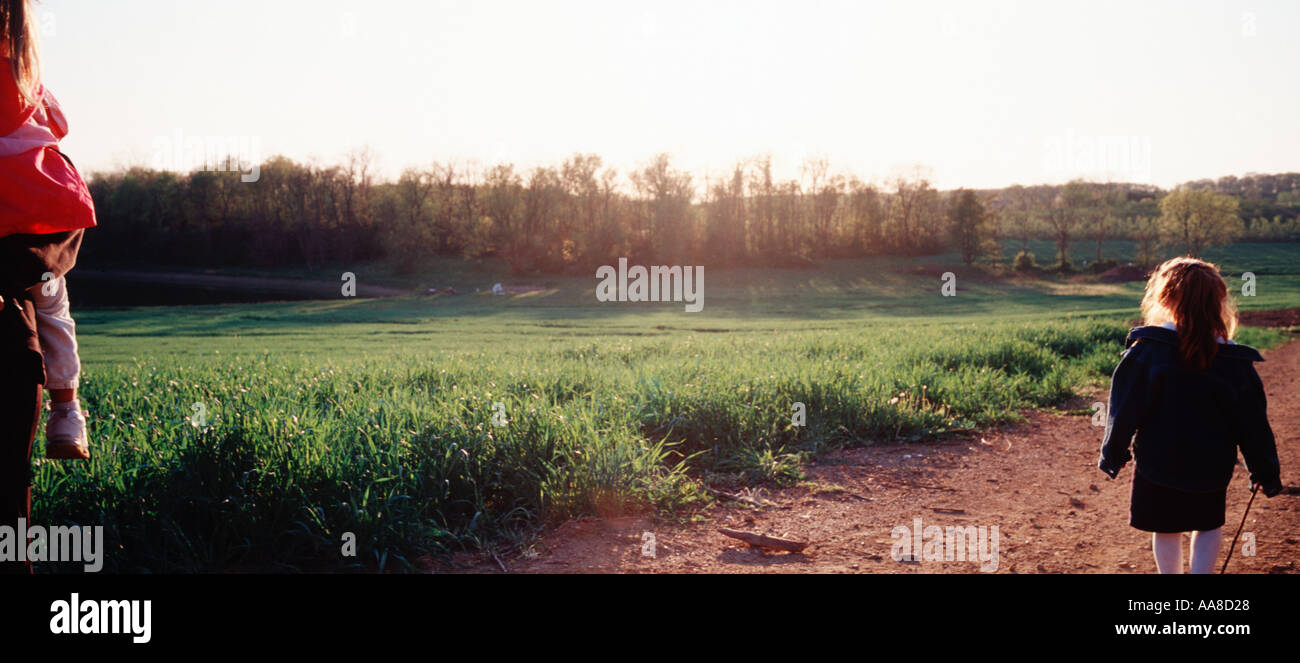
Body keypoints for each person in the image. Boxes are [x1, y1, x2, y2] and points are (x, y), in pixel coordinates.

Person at [1099, 257, 1283, 574]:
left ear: (1164, 298)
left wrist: (1113, 453)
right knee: (1208, 523)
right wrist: (1265, 472)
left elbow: (1124, 408)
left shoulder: (1147, 351)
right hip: (1211, 466)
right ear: (1219, 301)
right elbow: (1253, 426)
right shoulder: (1234, 362)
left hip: (1158, 462)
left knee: (1166, 528)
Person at [0, 0, 97, 462]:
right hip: (45, 214)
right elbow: (60, 124)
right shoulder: (25, 75)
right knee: (53, 303)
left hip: (8, 212)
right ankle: (66, 411)